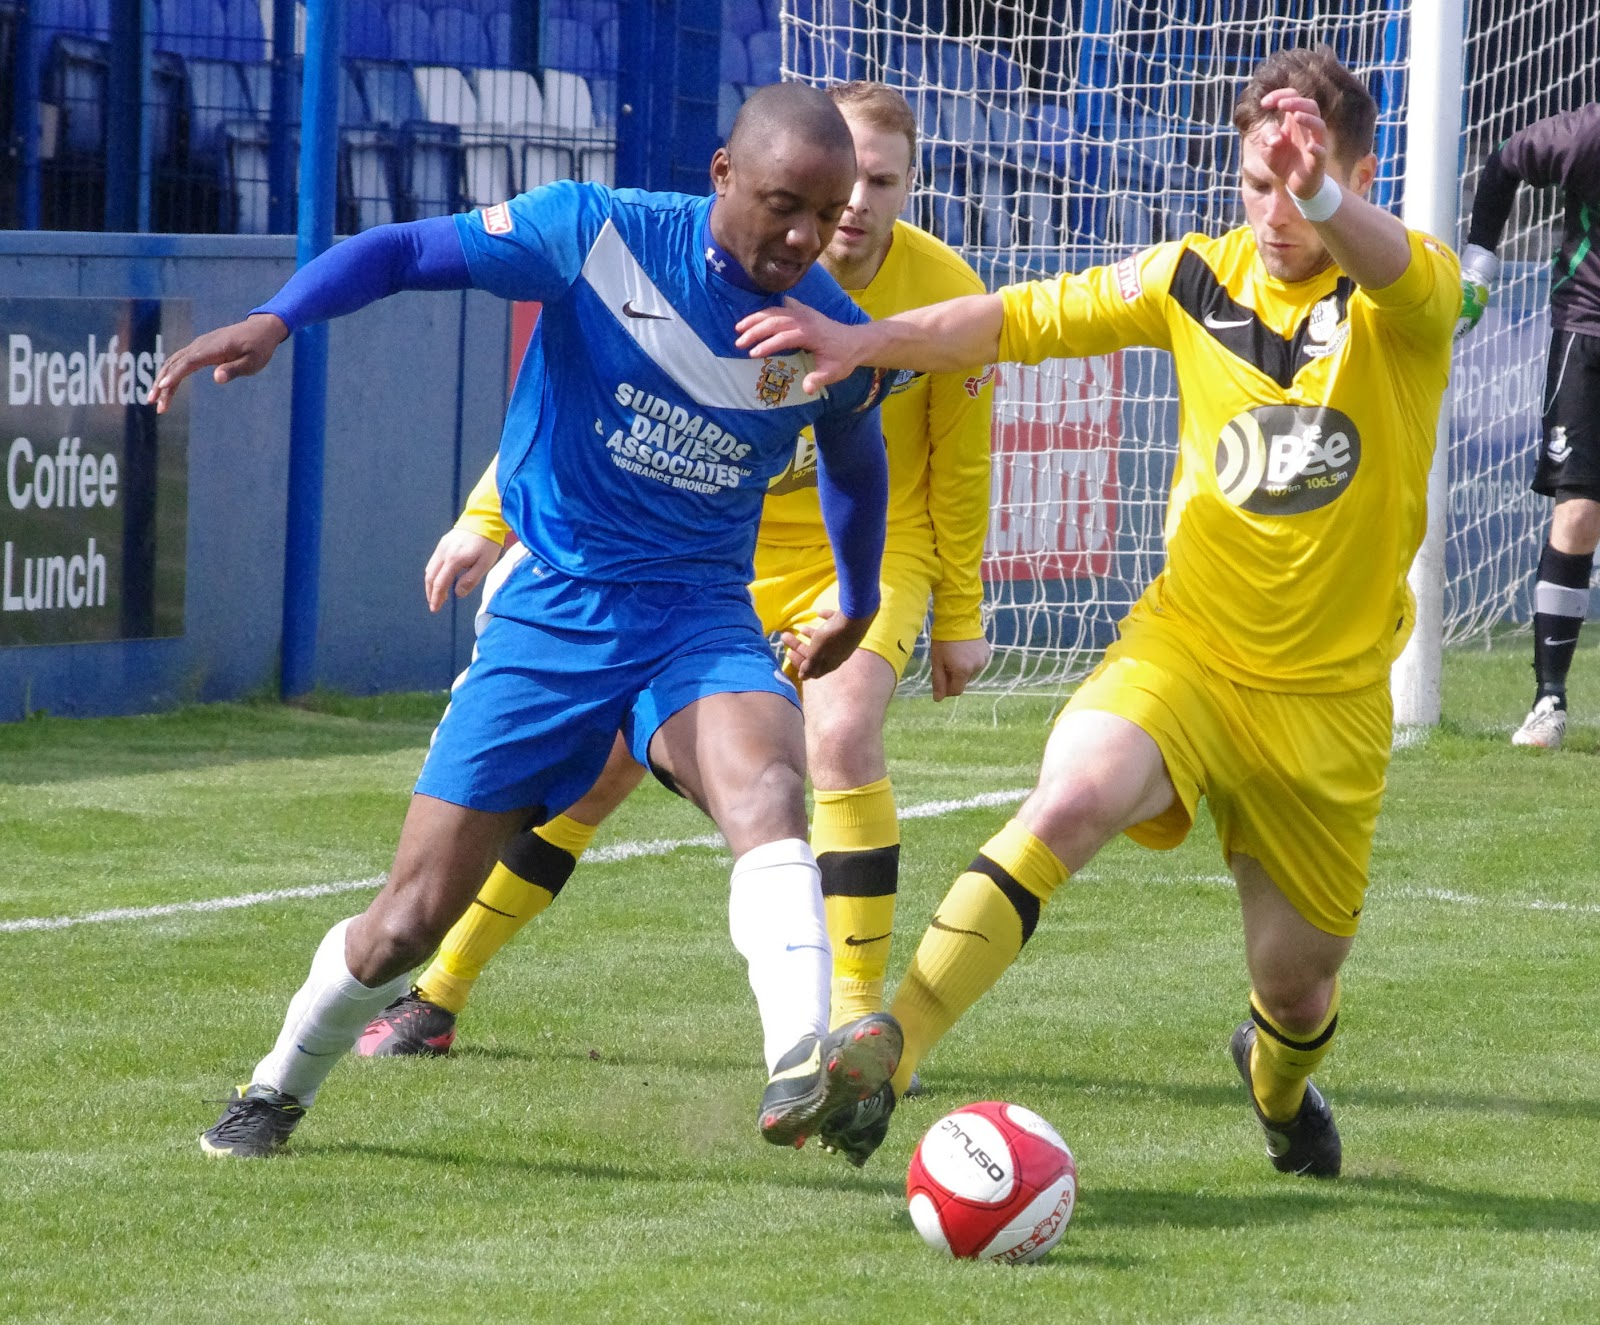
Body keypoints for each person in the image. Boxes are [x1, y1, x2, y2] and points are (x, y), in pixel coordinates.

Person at [148, 82, 906, 1159]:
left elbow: (855, 458)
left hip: (697, 614)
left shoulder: (828, 330)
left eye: (824, 216)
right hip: (554, 611)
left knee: (772, 790)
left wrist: (859, 599)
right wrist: (278, 317)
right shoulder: (593, 235)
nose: (803, 237)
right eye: (784, 205)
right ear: (722, 175)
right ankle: (274, 1087)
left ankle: (801, 1059)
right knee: (408, 919)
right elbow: (404, 250)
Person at [736, 46, 1459, 1174]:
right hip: (1190, 648)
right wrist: (864, 339)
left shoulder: (1411, 296)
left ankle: (1277, 1084)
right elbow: (1010, 321)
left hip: (1328, 702)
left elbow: (1398, 269)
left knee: (1297, 986)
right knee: (1071, 796)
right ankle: (887, 1060)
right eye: (1256, 182)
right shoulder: (1190, 277)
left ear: (1360, 176)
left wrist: (1318, 190)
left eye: (1300, 185)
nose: (1274, 210)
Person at [356, 82, 995, 1090]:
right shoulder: (689, 256)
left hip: (861, 559)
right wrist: (487, 518)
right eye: (835, 184)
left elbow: (954, 467)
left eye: (878, 183)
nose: (852, 208)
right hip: (704, 554)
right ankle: (438, 987)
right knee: (599, 767)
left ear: (906, 188)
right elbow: (597, 410)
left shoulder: (943, 293)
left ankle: (853, 1023)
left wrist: (956, 615)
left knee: (837, 732)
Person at [1456, 104, 1600, 750]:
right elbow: (1506, 161)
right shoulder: (1586, 136)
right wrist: (1479, 264)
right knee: (1578, 512)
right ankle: (1549, 700)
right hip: (1589, 330)